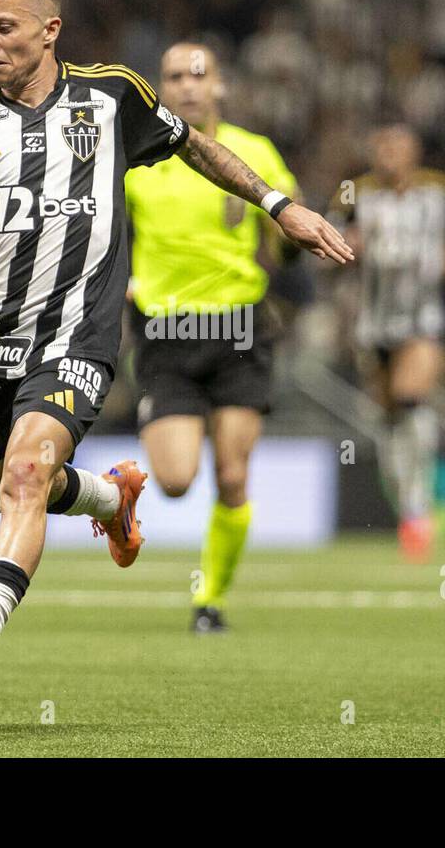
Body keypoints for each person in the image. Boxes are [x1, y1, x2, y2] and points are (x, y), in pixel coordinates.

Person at [0, 0, 352, 701]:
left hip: (80, 339)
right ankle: (106, 498)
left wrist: (279, 205)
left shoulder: (111, 98)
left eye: (5, 26)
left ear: (50, 28)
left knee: (27, 475)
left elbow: (197, 149)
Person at [124, 41, 299, 633]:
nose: (188, 87)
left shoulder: (254, 153)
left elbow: (285, 234)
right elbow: (102, 232)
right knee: (174, 482)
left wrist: (296, 243)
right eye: (175, 76)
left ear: (220, 85)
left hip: (238, 328)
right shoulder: (137, 156)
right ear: (161, 87)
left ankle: (210, 600)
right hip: (165, 330)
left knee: (231, 476)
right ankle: (116, 503)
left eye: (199, 76)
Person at [332, 124, 445, 561]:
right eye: (383, 146)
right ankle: (406, 503)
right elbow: (334, 245)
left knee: (412, 398)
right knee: (388, 416)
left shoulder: (443, 192)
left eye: (398, 146)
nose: (390, 154)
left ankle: (417, 507)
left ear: (415, 152)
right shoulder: (354, 193)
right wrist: (349, 248)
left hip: (423, 320)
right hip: (373, 326)